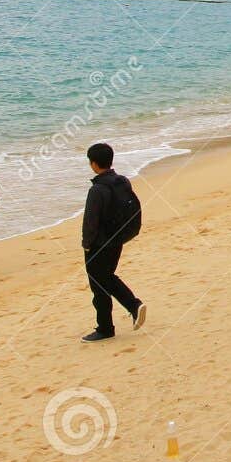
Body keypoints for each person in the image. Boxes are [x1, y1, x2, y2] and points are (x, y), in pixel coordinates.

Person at [80, 141, 146, 343]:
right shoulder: (122, 181)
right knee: (107, 278)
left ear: (93, 164)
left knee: (99, 286)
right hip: (118, 238)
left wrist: (86, 243)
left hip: (99, 243)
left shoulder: (97, 189)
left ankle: (106, 327)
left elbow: (90, 220)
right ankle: (133, 306)